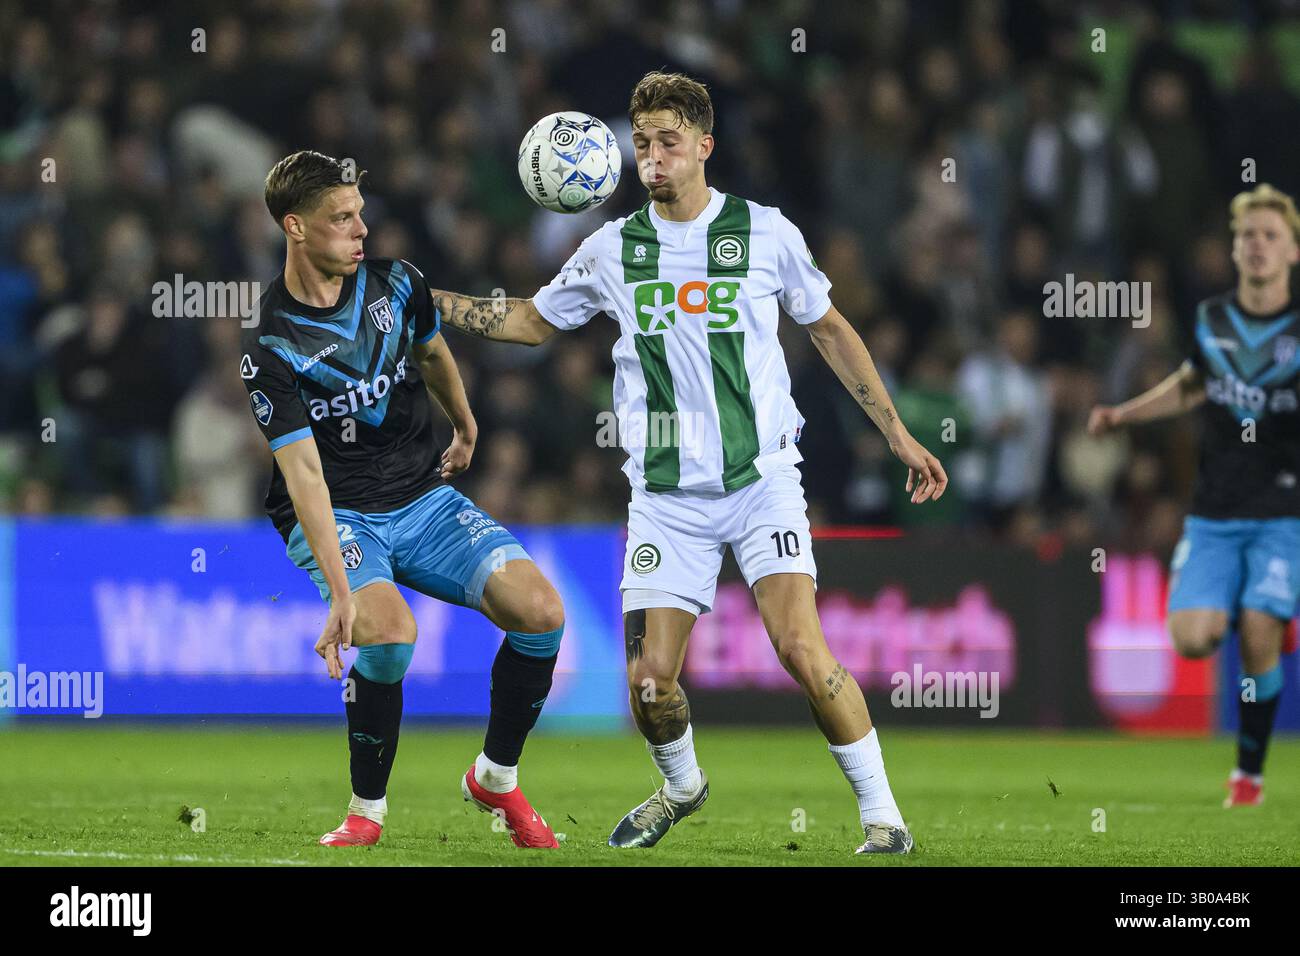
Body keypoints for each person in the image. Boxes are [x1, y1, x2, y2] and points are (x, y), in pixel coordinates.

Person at [430, 73, 948, 854]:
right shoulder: (612, 250)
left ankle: (884, 818)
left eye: (668, 142)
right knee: (650, 683)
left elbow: (831, 330)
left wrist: (899, 433)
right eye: (641, 144)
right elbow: (532, 322)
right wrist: (418, 297)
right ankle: (681, 787)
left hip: (762, 481)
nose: (652, 158)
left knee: (802, 651)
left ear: (705, 145)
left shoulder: (766, 233)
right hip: (667, 497)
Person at [241, 151, 566, 848]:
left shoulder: (397, 283)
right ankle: (366, 810)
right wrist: (340, 594)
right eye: (343, 218)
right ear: (295, 228)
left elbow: (431, 350)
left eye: (362, 212)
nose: (362, 229)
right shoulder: (273, 345)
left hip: (422, 498)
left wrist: (466, 419)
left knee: (541, 612)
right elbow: (303, 479)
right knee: (389, 633)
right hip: (339, 511)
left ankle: (496, 777)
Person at [1090, 184, 1300, 806]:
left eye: (1270, 235)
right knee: (1193, 637)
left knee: (1259, 634)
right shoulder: (1212, 322)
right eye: (1248, 236)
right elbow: (1188, 389)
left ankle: (1248, 776)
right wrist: (1123, 415)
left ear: (1292, 250)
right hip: (1214, 510)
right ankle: (1257, 601)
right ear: (1235, 250)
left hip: (1282, 509)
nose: (1258, 245)